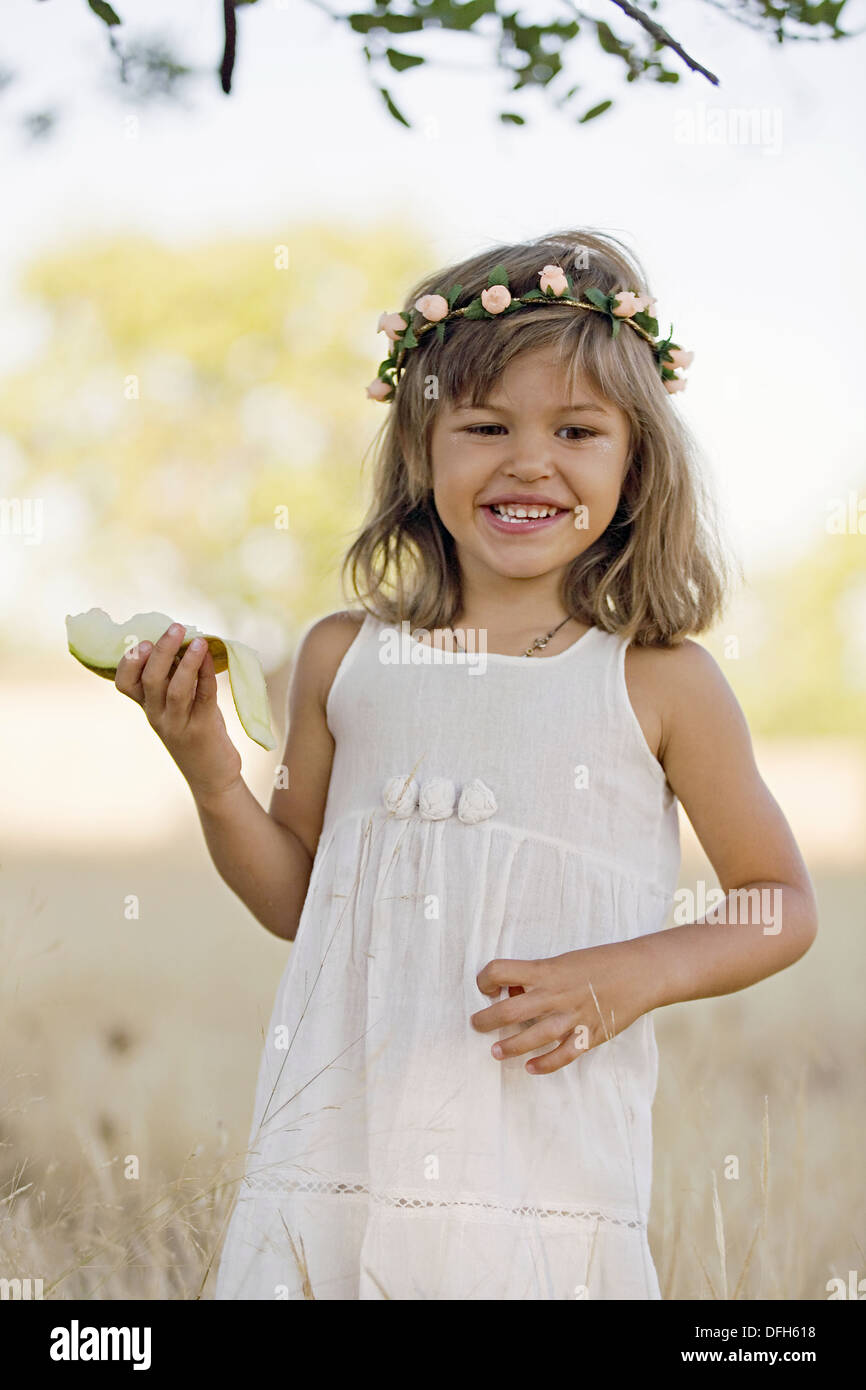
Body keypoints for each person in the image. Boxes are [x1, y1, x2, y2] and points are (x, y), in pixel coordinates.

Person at [114, 228, 819, 1300]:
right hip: (337, 1166)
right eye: (483, 426)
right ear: (421, 451)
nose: (527, 460)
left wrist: (630, 975)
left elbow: (777, 903)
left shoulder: (657, 680)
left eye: (576, 429)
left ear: (634, 463)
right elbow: (297, 900)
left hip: (542, 1176)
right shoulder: (343, 658)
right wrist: (211, 772)